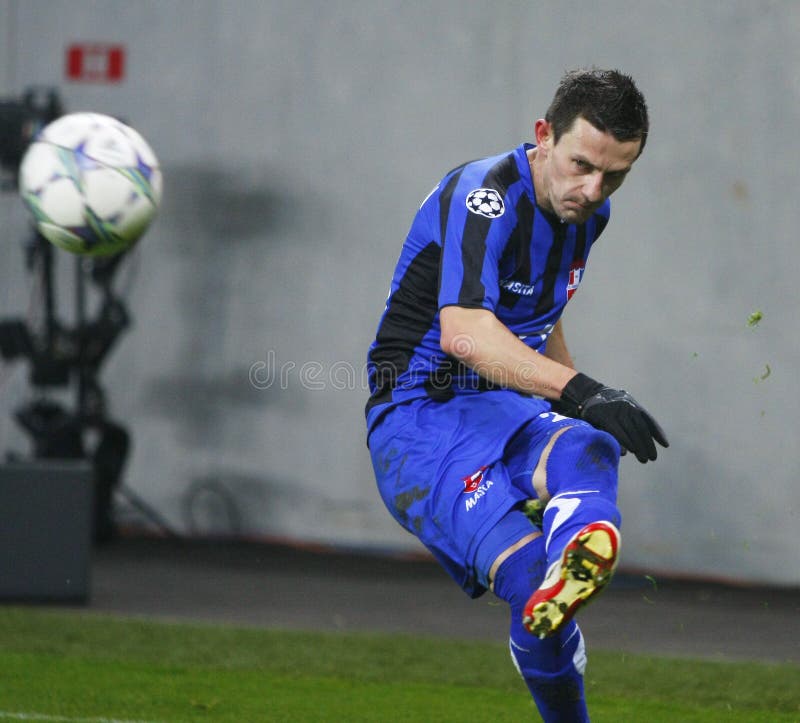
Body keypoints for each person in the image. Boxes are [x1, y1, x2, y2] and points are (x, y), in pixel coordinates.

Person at [365, 68, 668, 721]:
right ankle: (568, 551)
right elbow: (466, 332)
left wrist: (576, 403)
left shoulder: (586, 212)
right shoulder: (487, 196)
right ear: (542, 136)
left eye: (614, 175)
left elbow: (541, 311)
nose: (593, 189)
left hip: (498, 402)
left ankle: (576, 550)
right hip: (418, 416)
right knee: (529, 577)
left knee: (589, 441)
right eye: (582, 164)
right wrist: (582, 389)